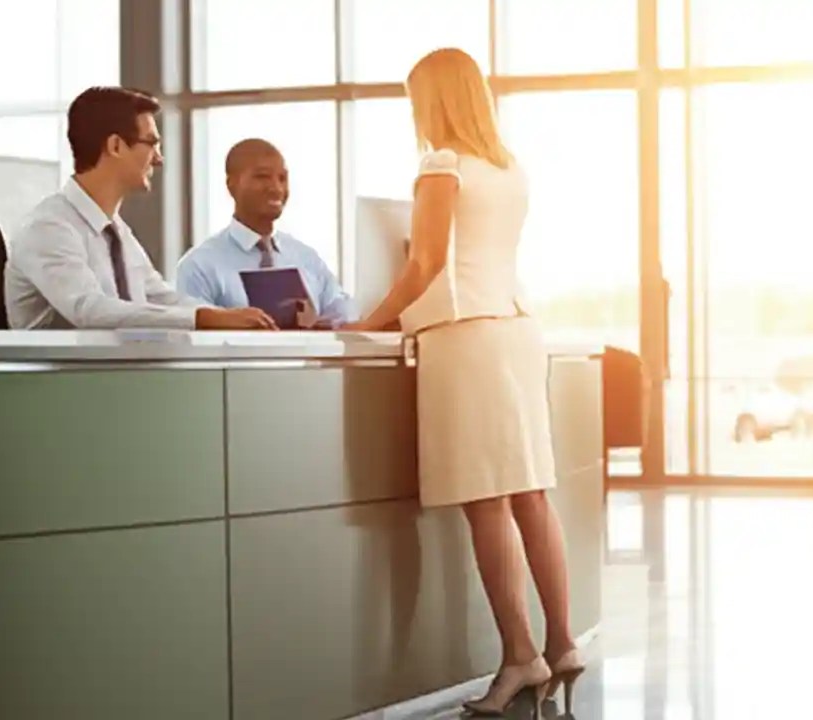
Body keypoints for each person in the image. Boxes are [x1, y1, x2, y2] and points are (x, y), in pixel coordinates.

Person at [345, 48, 584, 716]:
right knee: (531, 495)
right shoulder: (510, 168)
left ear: (437, 101)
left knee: (486, 502)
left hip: (465, 334)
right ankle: (561, 643)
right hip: (514, 327)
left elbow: (424, 263)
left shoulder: (441, 165)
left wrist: (365, 321)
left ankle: (518, 657)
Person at [4, 86, 275, 330]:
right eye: (151, 143)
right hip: (59, 383)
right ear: (116, 146)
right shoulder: (49, 227)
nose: (158, 158)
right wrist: (204, 319)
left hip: (116, 378)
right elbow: (89, 310)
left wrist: (233, 319)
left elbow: (161, 297)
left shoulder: (116, 230)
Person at [176, 139, 356, 329]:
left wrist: (322, 325)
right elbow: (191, 338)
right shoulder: (199, 266)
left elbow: (345, 314)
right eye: (262, 177)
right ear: (231, 184)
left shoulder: (307, 259)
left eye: (282, 178)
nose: (276, 188)